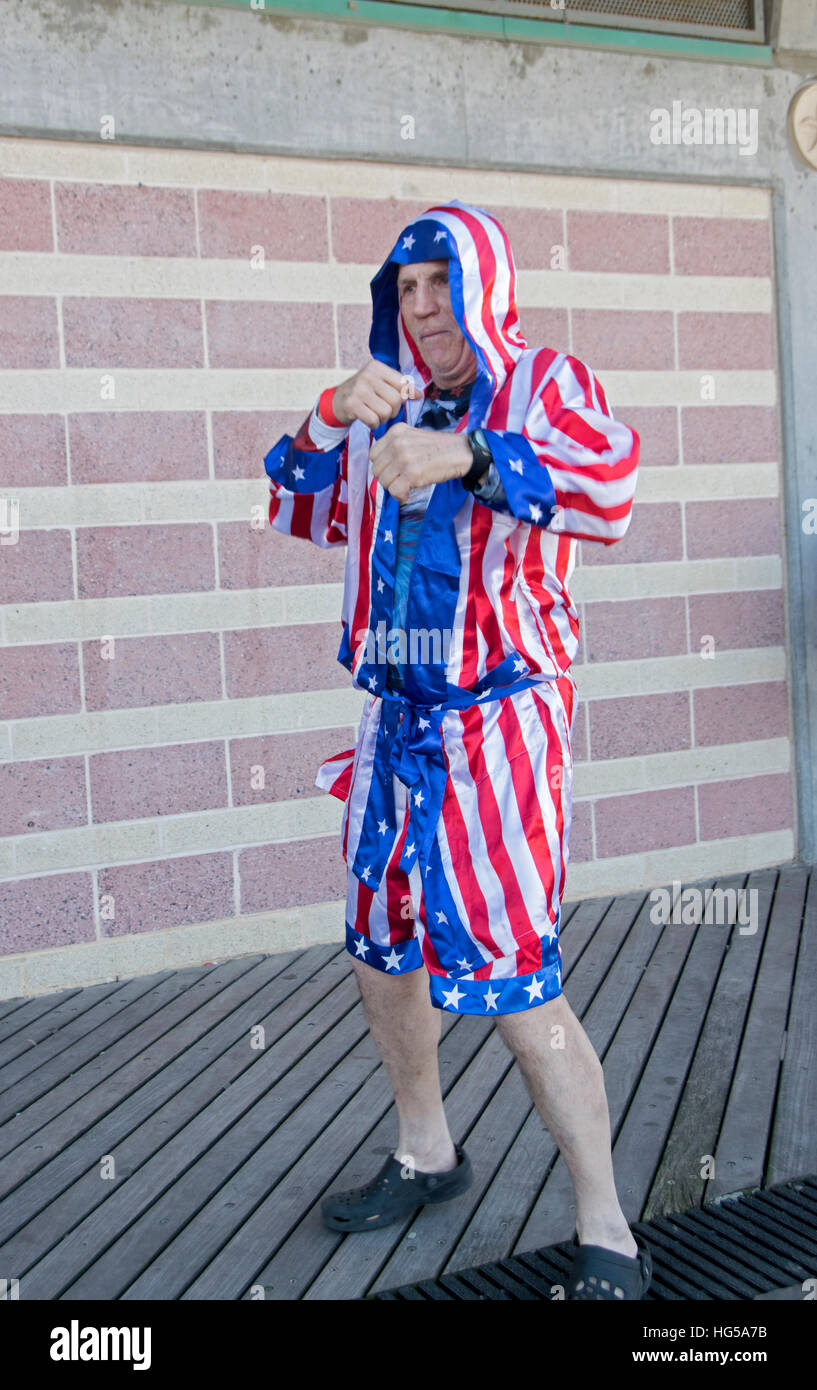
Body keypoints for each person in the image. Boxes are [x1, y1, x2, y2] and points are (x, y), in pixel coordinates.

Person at [263, 200, 650, 1299]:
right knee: (381, 953)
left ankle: (607, 1223)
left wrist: (471, 451)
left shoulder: (545, 384)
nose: (423, 306)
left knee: (518, 980)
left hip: (500, 721)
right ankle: (426, 1150)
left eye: (440, 282)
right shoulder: (378, 405)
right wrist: (329, 412)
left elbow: (611, 488)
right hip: (390, 721)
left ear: (481, 286)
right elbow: (295, 508)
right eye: (407, 288)